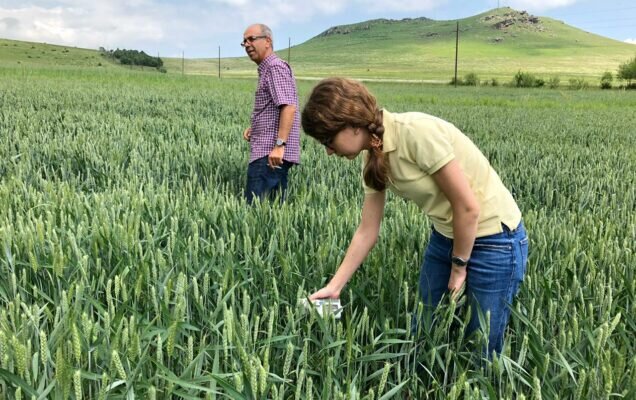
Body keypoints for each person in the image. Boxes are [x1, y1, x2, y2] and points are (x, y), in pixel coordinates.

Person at [302, 77, 528, 356]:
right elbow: (367, 230)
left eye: (327, 140)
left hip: (495, 238)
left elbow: (468, 207)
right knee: (422, 331)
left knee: (480, 344)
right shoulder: (373, 155)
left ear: (351, 123)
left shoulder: (416, 133)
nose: (327, 150)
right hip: (447, 235)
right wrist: (335, 286)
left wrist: (459, 268)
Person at [241, 23, 301, 204]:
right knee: (271, 215)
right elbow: (276, 107)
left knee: (256, 215)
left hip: (269, 155)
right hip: (270, 152)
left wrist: (279, 145)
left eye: (251, 39)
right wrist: (256, 127)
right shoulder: (269, 68)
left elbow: (289, 107)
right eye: (244, 42)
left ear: (268, 41)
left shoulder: (274, 67)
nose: (247, 45)